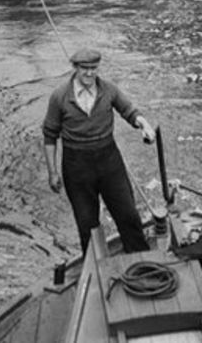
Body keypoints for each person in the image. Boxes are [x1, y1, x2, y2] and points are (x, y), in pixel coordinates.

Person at [42, 48, 156, 255]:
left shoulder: (109, 90)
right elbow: (50, 136)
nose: (89, 74)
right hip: (76, 166)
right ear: (75, 68)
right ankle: (94, 269)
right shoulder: (59, 97)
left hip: (109, 161)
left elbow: (129, 111)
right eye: (84, 69)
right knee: (88, 224)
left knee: (128, 215)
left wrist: (144, 125)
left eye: (93, 68)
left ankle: (141, 259)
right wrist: (52, 172)